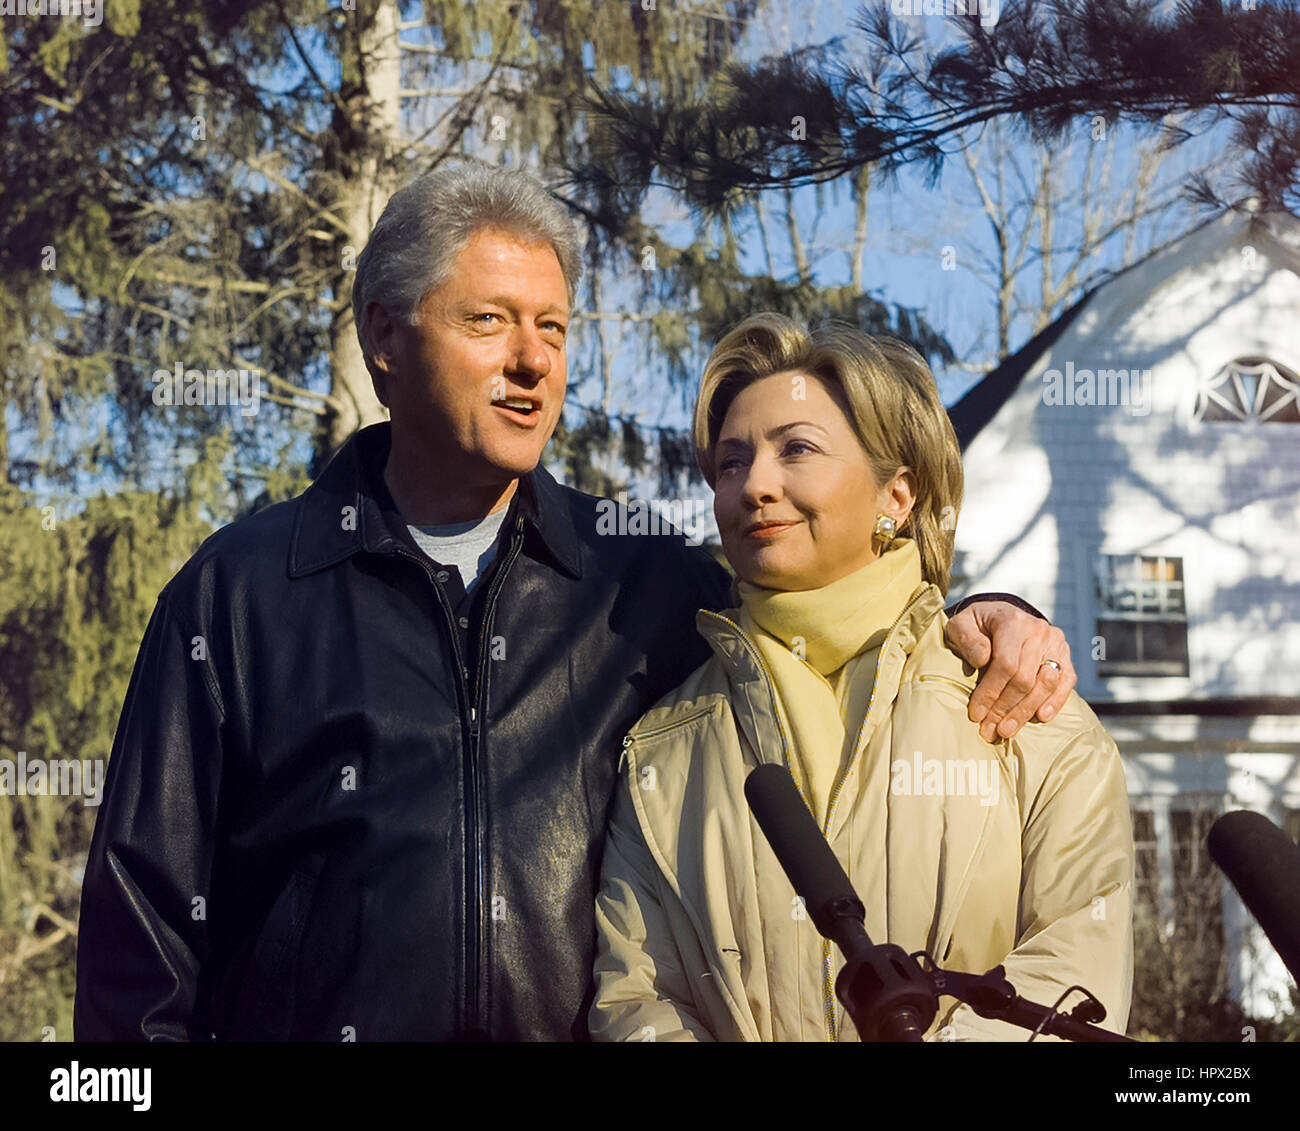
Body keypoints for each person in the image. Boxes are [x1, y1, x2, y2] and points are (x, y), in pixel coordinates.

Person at [74, 166, 1080, 1041]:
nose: (533, 360)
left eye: (551, 327)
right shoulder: (241, 595)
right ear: (384, 336)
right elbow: (141, 942)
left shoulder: (644, 582)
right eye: (489, 321)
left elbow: (832, 611)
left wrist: (979, 609)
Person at [589, 313, 1134, 1042]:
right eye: (730, 462)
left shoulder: (1035, 712)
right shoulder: (659, 751)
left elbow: (1076, 979)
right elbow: (636, 1002)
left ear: (897, 497)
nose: (754, 485)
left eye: (797, 449)